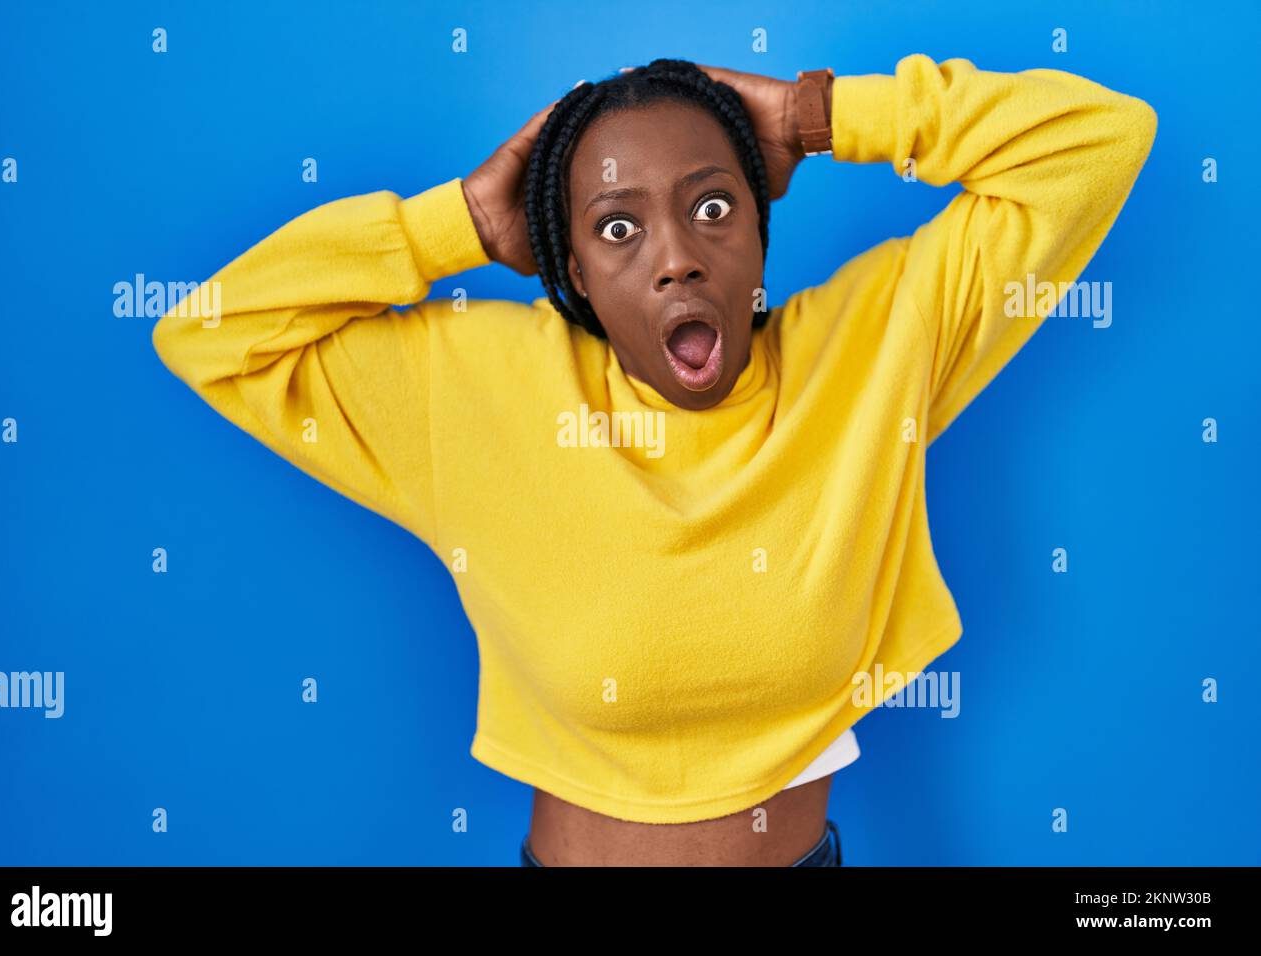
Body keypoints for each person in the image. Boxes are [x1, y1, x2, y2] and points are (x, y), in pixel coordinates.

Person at [151, 54, 1156, 866]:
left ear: (760, 233)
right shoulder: (473, 391)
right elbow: (210, 331)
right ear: (570, 270)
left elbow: (1097, 140)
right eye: (617, 227)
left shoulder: (871, 351)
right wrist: (452, 224)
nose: (675, 255)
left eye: (712, 206)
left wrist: (819, 113)